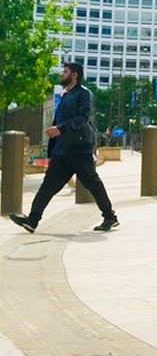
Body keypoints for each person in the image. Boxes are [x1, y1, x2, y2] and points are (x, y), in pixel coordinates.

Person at [9, 63, 119, 233]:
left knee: (92, 183)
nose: (62, 74)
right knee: (48, 185)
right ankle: (32, 220)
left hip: (79, 148)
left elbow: (83, 117)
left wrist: (60, 129)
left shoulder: (83, 94)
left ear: (74, 75)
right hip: (62, 150)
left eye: (65, 71)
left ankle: (110, 217)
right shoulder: (66, 94)